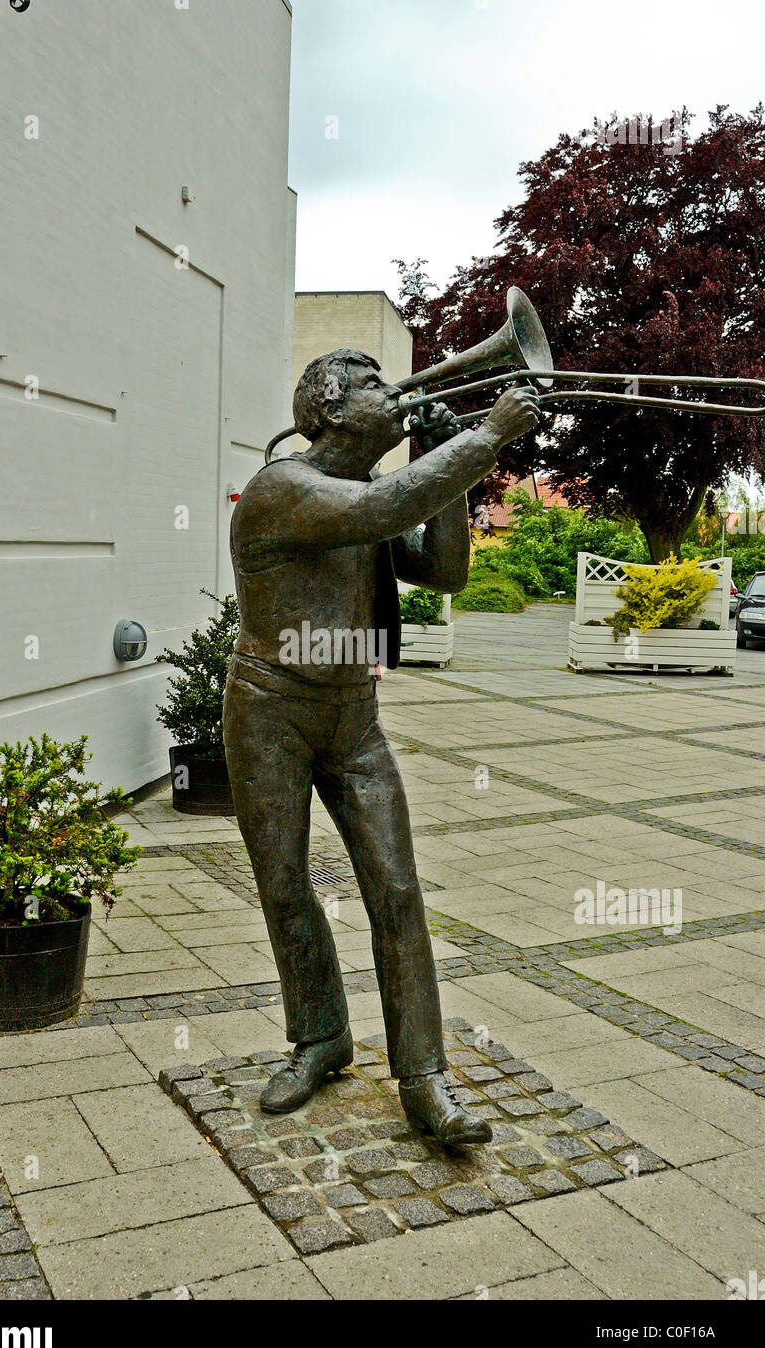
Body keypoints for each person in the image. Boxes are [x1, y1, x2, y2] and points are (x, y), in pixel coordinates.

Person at [223, 349, 540, 1142]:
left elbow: (446, 572)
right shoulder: (282, 489)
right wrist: (483, 438)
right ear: (326, 411)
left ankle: (425, 1078)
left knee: (396, 889)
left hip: (352, 714)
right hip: (271, 710)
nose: (394, 391)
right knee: (287, 883)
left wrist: (453, 469)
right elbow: (383, 510)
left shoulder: (364, 495)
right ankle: (320, 1036)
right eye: (372, 384)